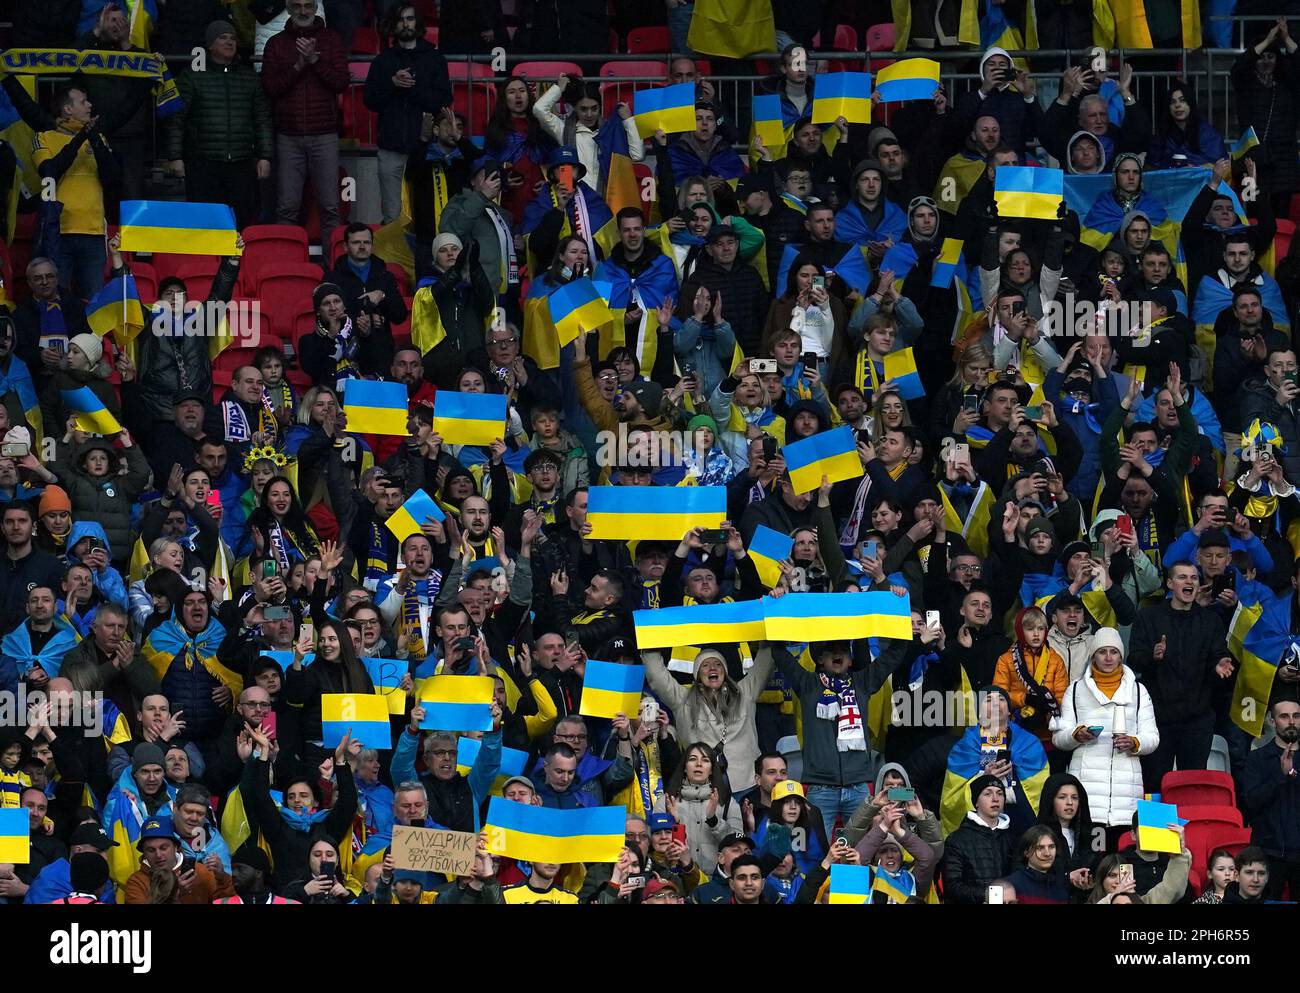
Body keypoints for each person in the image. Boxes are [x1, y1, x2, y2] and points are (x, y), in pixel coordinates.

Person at [164, 20, 272, 227]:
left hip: (241, 162)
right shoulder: (192, 77)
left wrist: (265, 156)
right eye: (223, 38)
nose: (229, 42)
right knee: (203, 224)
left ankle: (239, 260)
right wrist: (175, 156)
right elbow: (177, 119)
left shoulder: (250, 78)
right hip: (203, 163)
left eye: (233, 38)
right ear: (210, 45)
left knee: (243, 222)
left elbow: (262, 120)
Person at [261, 0, 349, 248]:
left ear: (315, 9)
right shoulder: (276, 44)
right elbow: (271, 88)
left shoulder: (331, 39)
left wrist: (315, 62)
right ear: (288, 9)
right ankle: (284, 267)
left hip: (324, 135)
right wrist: (299, 65)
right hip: (288, 135)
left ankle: (334, 271)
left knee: (330, 207)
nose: (302, 11)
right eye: (297, 6)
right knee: (286, 208)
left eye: (308, 5)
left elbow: (341, 81)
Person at [363, 3, 452, 224]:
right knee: (393, 217)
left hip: (426, 149)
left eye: (410, 19)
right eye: (401, 19)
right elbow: (370, 101)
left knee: (427, 215)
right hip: (391, 148)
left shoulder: (434, 58)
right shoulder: (382, 61)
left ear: (418, 23)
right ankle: (395, 260)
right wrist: (392, 83)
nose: (405, 24)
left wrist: (412, 88)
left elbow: (443, 101)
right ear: (394, 26)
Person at [1242, 698, 1300, 900]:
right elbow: (1252, 802)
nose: (1291, 721)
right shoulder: (1257, 759)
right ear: (1273, 722)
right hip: (1268, 853)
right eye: (1284, 716)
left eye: (1296, 716)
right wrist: (1280, 776)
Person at [940, 774, 1015, 904]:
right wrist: (992, 896)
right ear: (976, 802)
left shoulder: (1013, 838)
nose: (995, 799)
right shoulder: (957, 839)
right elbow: (952, 886)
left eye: (1000, 793)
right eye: (987, 794)